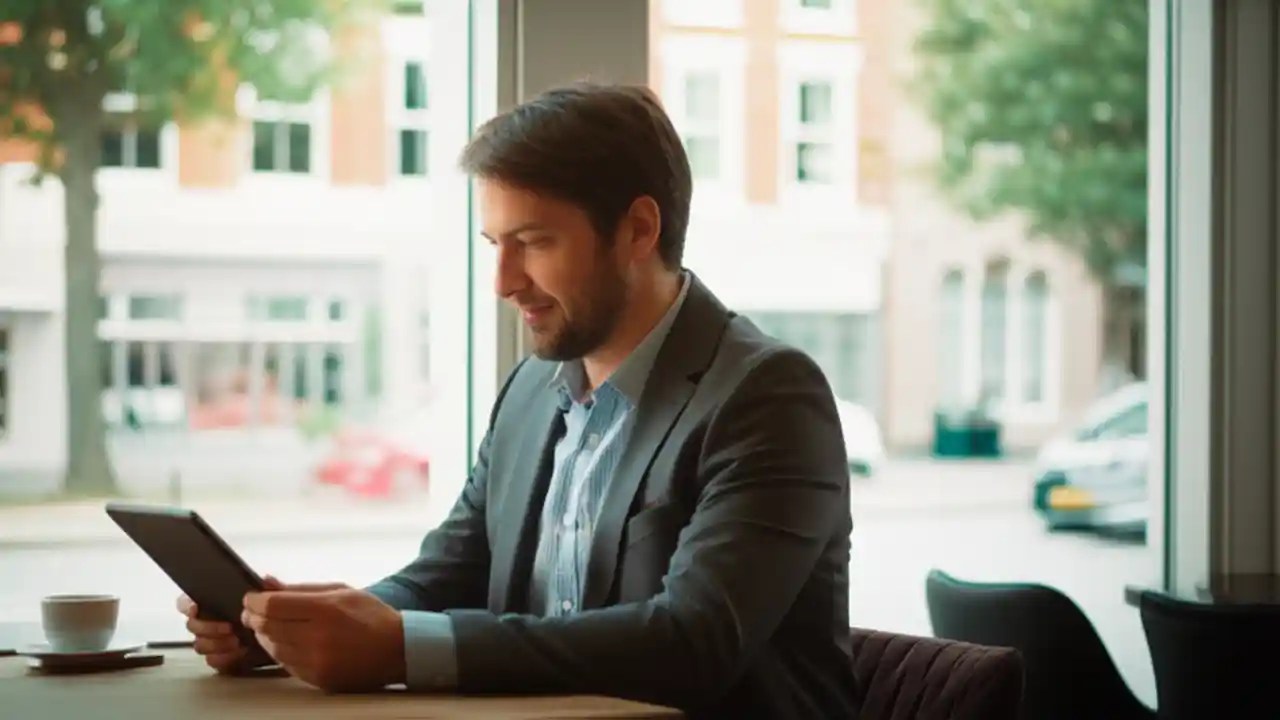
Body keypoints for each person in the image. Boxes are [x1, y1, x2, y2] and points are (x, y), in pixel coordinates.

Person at [178, 83, 858, 718]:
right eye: (494, 245)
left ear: (638, 232)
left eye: (533, 243)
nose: (503, 281)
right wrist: (296, 628)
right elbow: (447, 576)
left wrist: (397, 645)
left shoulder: (767, 396)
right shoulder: (533, 390)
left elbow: (692, 640)